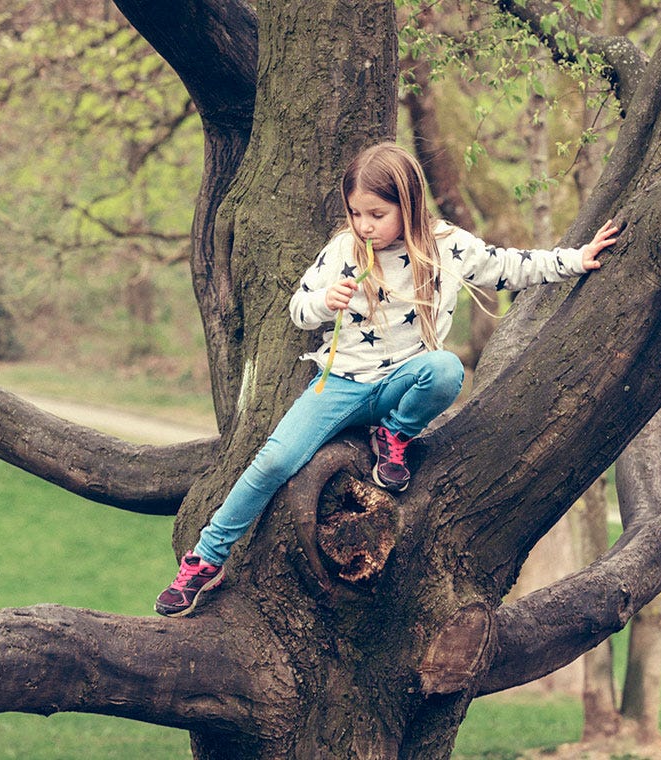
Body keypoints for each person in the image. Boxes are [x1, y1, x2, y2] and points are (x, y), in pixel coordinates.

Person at [154, 142, 620, 617]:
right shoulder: (343, 250)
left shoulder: (446, 247)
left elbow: (509, 267)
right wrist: (322, 303)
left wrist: (576, 260)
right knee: (274, 461)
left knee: (446, 371)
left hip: (403, 381)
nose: (364, 225)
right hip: (339, 385)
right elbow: (298, 310)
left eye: (376, 214)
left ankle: (394, 433)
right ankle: (205, 559)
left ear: (408, 204)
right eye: (356, 213)